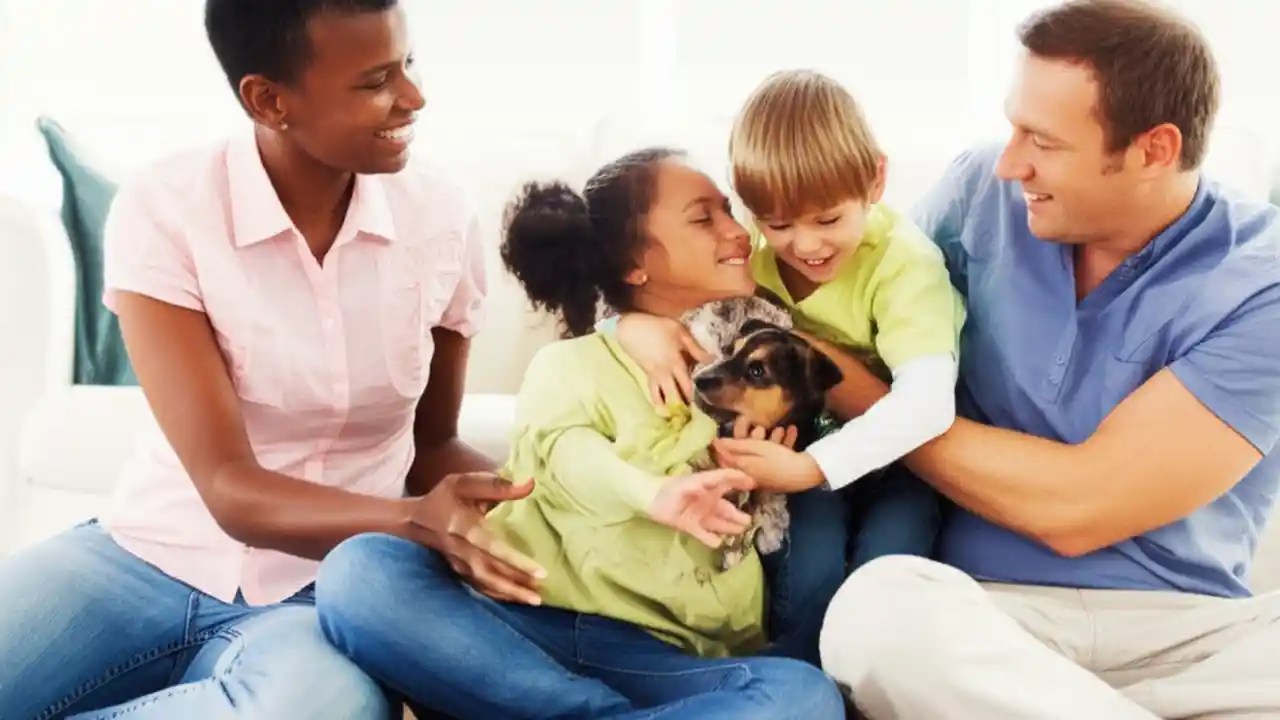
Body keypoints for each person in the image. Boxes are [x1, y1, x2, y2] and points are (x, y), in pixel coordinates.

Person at [0, 1, 541, 718]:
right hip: (144, 555)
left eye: (407, 63)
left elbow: (432, 443)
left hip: (324, 594)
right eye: (376, 80)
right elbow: (230, 488)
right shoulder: (168, 207)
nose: (413, 97)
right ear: (268, 100)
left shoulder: (439, 217)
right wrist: (414, 520)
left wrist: (569, 496)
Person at [810, 1, 1280, 718]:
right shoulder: (980, 195)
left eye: (1044, 141)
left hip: (1187, 635)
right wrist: (651, 323)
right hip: (986, 619)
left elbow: (1079, 507)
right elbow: (836, 308)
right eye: (1014, 127)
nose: (1011, 162)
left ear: (1154, 150)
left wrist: (862, 399)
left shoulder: (1261, 281)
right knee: (874, 612)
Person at [315, 148, 846, 720]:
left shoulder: (755, 374)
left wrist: (769, 482)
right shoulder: (573, 363)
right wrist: (654, 494)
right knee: (360, 570)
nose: (737, 231)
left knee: (803, 695)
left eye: (728, 210)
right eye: (703, 217)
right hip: (524, 622)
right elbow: (567, 457)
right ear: (634, 265)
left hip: (660, 656)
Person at [608, 69, 965, 664]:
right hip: (803, 448)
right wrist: (631, 325)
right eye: (778, 225)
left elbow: (926, 404)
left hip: (903, 459)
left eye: (828, 220)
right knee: (810, 574)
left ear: (875, 180)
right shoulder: (747, 252)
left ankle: (872, 686)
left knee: (886, 572)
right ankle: (795, 685)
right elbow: (660, 294)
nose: (805, 245)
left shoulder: (905, 267)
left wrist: (811, 468)